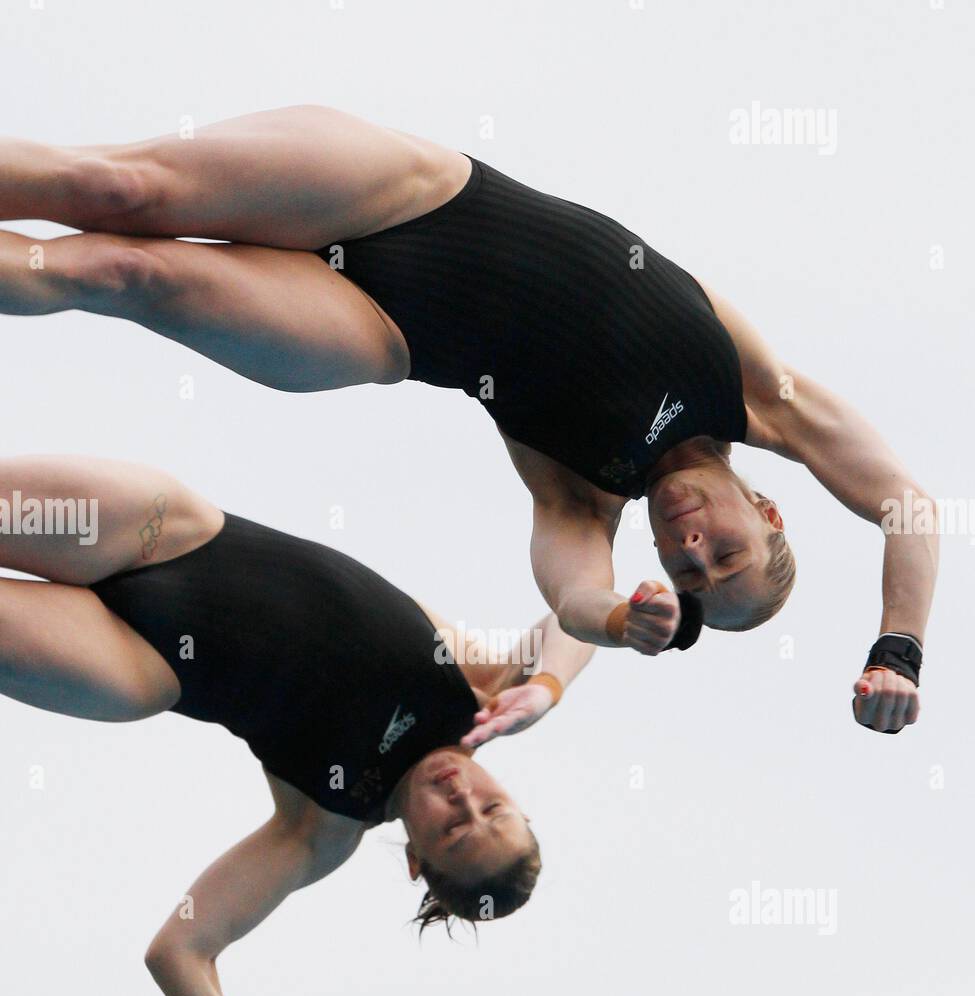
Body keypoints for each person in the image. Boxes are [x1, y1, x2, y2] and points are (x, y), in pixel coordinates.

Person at [0, 105, 934, 730]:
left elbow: (571, 599)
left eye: (683, 569)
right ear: (769, 511)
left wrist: (614, 623)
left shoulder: (582, 496)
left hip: (377, 332)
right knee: (118, 190)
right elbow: (904, 501)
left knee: (122, 272)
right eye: (723, 552)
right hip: (418, 194)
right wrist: (899, 648)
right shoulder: (763, 397)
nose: (690, 550)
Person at [0, 451, 593, 996]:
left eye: (454, 830)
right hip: (160, 531)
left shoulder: (322, 825)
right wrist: (545, 689)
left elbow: (180, 950)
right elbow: (581, 611)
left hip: (133, 665)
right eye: (492, 807)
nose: (463, 799)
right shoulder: (481, 691)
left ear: (416, 859)